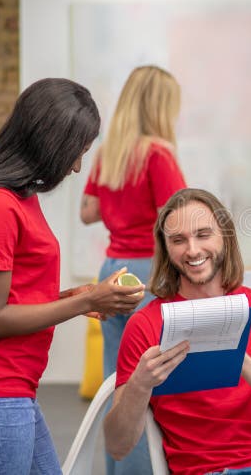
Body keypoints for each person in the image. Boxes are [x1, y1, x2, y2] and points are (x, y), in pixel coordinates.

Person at [0, 78, 145, 475]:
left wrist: (77, 295)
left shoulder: (19, 199)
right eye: (75, 152)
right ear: (48, 140)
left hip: (9, 390)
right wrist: (85, 302)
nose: (76, 166)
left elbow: (14, 297)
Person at [103, 188, 251, 475]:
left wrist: (238, 358)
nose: (192, 250)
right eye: (179, 240)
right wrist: (139, 384)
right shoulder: (146, 324)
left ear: (224, 237)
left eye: (203, 235)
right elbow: (117, 446)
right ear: (166, 249)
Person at [80, 65, 187, 474]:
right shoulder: (158, 153)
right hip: (152, 274)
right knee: (149, 386)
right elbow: (178, 219)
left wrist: (119, 203)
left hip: (112, 272)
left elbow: (87, 212)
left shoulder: (109, 152)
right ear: (160, 106)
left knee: (118, 382)